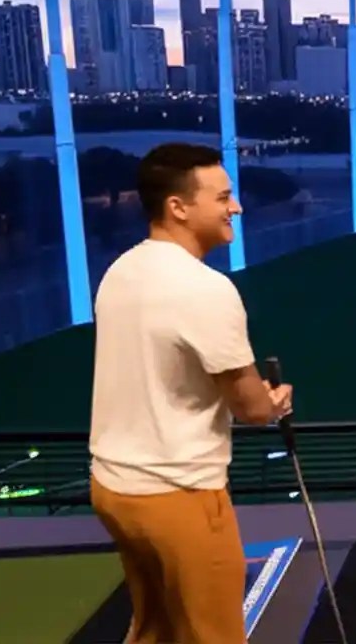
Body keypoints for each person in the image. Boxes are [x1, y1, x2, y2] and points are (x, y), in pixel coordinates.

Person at [88, 143, 293, 644]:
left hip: (114, 490)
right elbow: (251, 408)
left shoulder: (121, 271)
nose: (236, 207)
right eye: (223, 196)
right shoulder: (206, 289)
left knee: (154, 627)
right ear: (178, 207)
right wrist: (276, 402)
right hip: (179, 495)